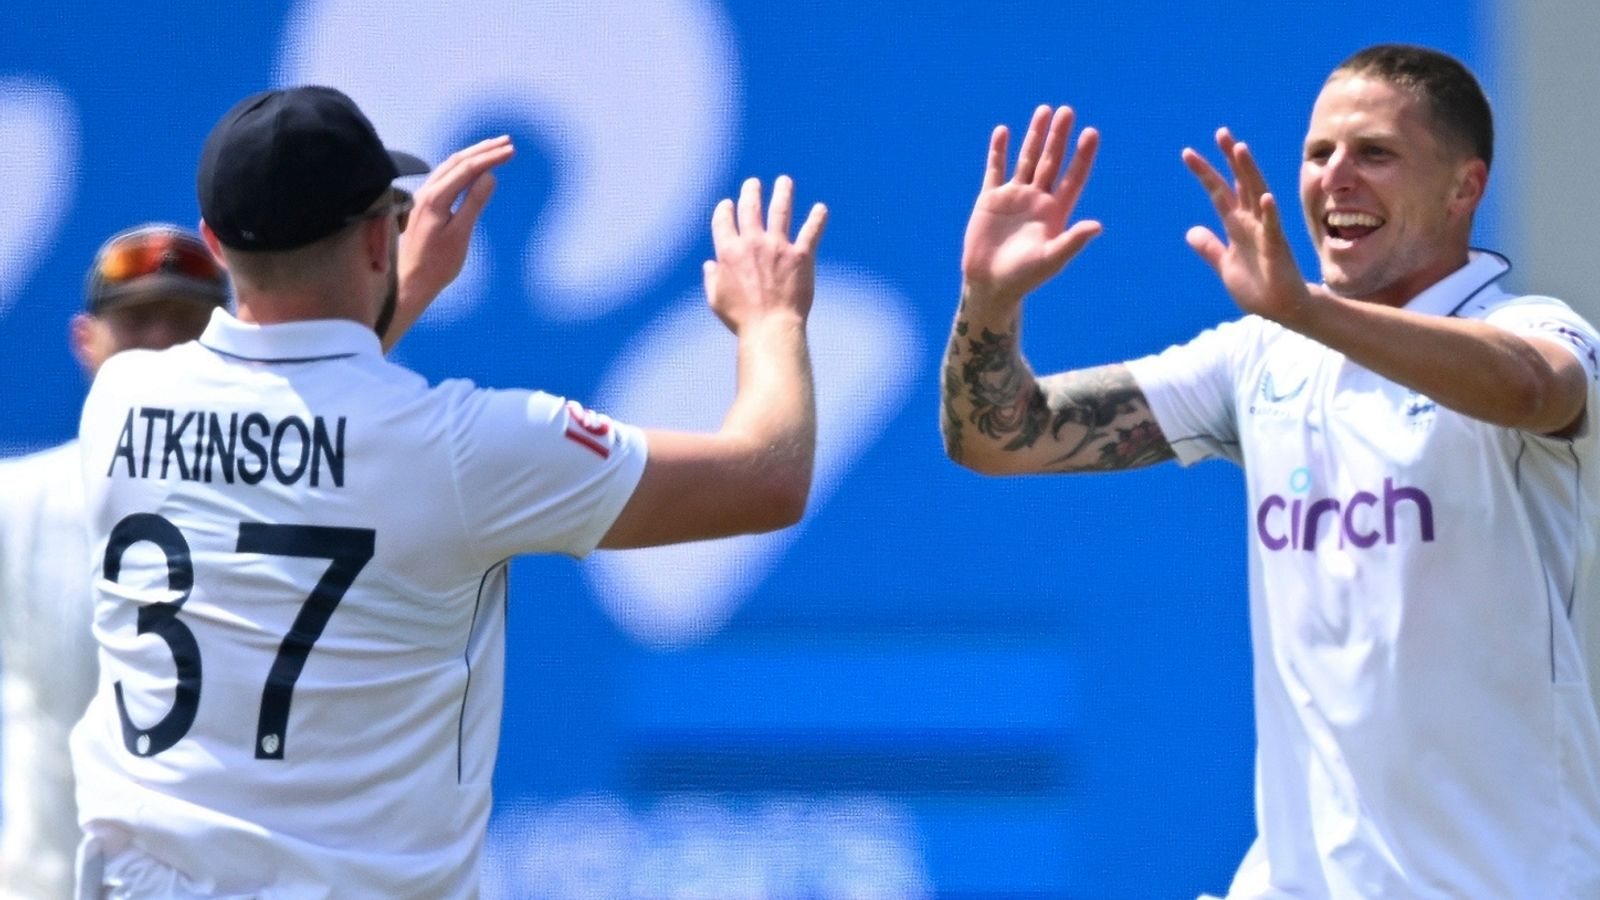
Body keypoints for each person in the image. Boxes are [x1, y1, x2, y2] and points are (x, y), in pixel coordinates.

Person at [69, 84, 826, 898]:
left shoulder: (122, 401)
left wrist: (401, 287)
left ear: (214, 245)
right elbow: (767, 477)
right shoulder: (464, 449)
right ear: (373, 238)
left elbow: (305, 419)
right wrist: (771, 319)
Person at [941, 43, 1600, 898]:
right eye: (1319, 153)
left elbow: (1529, 388)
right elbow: (1000, 437)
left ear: (1464, 188)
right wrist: (989, 303)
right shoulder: (1259, 358)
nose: (1336, 178)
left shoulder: (1535, 328)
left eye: (1376, 153)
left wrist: (1308, 309)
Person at [0, 223, 231, 899]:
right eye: (137, 323)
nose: (161, 342)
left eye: (186, 323)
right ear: (85, 342)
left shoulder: (289, 503)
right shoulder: (19, 503)